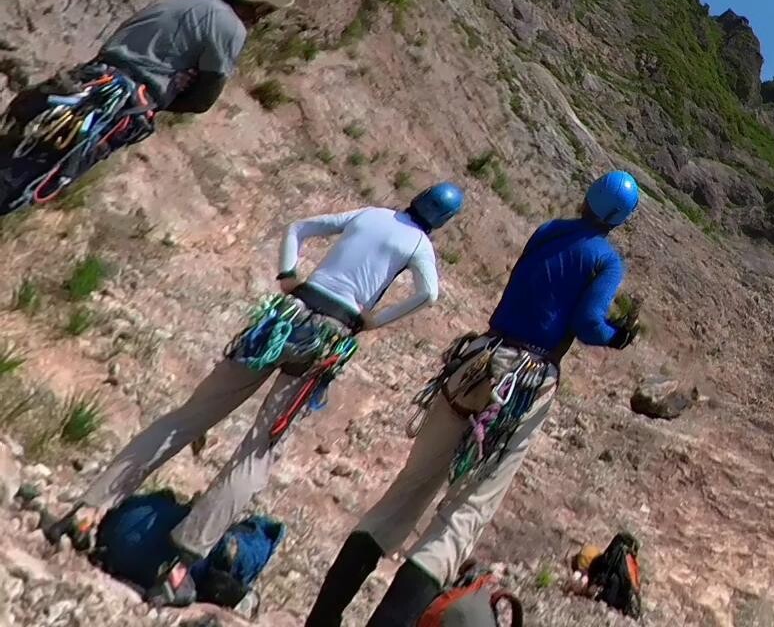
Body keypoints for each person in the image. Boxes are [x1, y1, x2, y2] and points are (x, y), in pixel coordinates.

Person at [43, 182, 466, 608]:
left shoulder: (370, 214)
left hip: (288, 312)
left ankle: (84, 513)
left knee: (187, 418)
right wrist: (374, 320)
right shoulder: (418, 246)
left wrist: (288, 273)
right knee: (257, 452)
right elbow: (427, 294)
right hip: (330, 335)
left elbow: (299, 227)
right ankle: (178, 569)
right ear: (443, 220)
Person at [303, 172, 645, 627]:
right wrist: (617, 336)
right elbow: (587, 323)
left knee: (406, 492)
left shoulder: (548, 231)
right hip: (526, 379)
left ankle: (322, 618)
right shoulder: (605, 261)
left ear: (586, 198)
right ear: (621, 219)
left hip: (479, 358)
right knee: (463, 515)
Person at [0, 0, 299, 211]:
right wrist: (167, 97)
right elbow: (201, 101)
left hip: (82, 82)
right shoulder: (230, 27)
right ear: (261, 6)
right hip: (114, 108)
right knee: (26, 180)